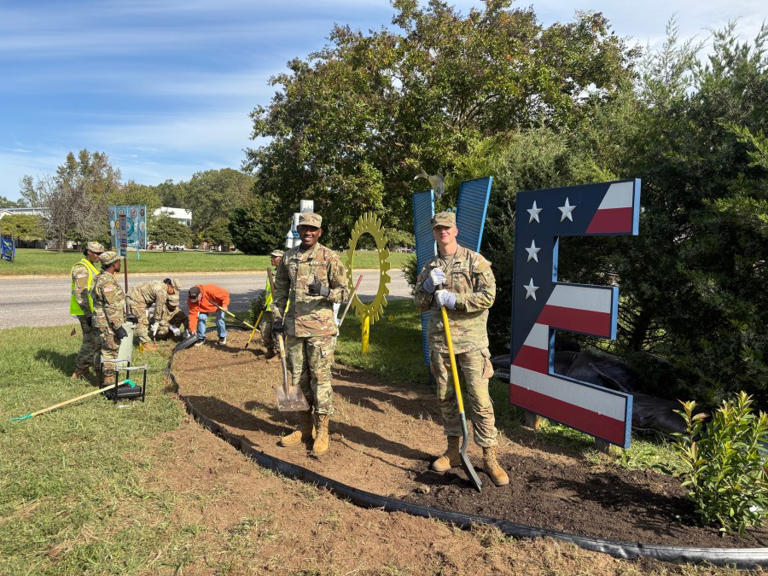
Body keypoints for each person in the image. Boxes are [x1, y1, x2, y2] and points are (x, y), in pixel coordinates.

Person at [414, 211, 509, 486]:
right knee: (446, 397)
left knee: (479, 400)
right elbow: (419, 303)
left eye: (447, 227)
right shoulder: (429, 267)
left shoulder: (474, 261)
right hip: (442, 343)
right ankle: (453, 451)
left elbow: (489, 296)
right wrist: (429, 288)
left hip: (471, 343)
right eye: (438, 228)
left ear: (455, 230)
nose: (443, 232)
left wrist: (456, 300)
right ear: (434, 233)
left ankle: (489, 457)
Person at [272, 213, 348, 456]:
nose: (308, 232)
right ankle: (304, 428)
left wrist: (325, 291)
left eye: (312, 229)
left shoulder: (329, 257)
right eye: (304, 228)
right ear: (298, 229)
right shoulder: (289, 257)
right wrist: (276, 317)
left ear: (320, 232)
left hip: (321, 331)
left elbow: (345, 292)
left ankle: (322, 430)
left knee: (320, 380)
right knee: (296, 380)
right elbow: (281, 288)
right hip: (294, 329)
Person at [91, 251, 129, 388]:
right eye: (118, 261)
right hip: (107, 323)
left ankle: (98, 379)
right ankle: (108, 382)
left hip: (98, 321)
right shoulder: (107, 281)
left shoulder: (99, 277)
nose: (120, 264)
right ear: (113, 264)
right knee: (109, 351)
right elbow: (111, 306)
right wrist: (118, 326)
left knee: (98, 350)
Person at [69, 241, 105, 380]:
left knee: (94, 340)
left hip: (91, 310)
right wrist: (89, 315)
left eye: (101, 254)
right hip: (85, 311)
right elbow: (80, 293)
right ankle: (79, 371)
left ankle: (85, 368)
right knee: (91, 341)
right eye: (96, 253)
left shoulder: (91, 266)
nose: (99, 256)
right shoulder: (81, 268)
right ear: (88, 252)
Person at [127, 278, 182, 350]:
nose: (173, 293)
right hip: (135, 299)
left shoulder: (162, 286)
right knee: (142, 321)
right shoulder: (162, 292)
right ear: (170, 286)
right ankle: (145, 344)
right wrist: (156, 322)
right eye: (174, 291)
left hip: (138, 298)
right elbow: (159, 308)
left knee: (145, 320)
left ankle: (142, 338)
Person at [260, 249, 284, 362]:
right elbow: (269, 291)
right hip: (268, 306)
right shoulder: (272, 273)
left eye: (274, 257)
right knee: (264, 330)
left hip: (278, 307)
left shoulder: (284, 274)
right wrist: (265, 302)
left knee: (277, 331)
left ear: (281, 259)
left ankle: (279, 354)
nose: (272, 259)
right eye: (271, 257)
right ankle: (270, 351)